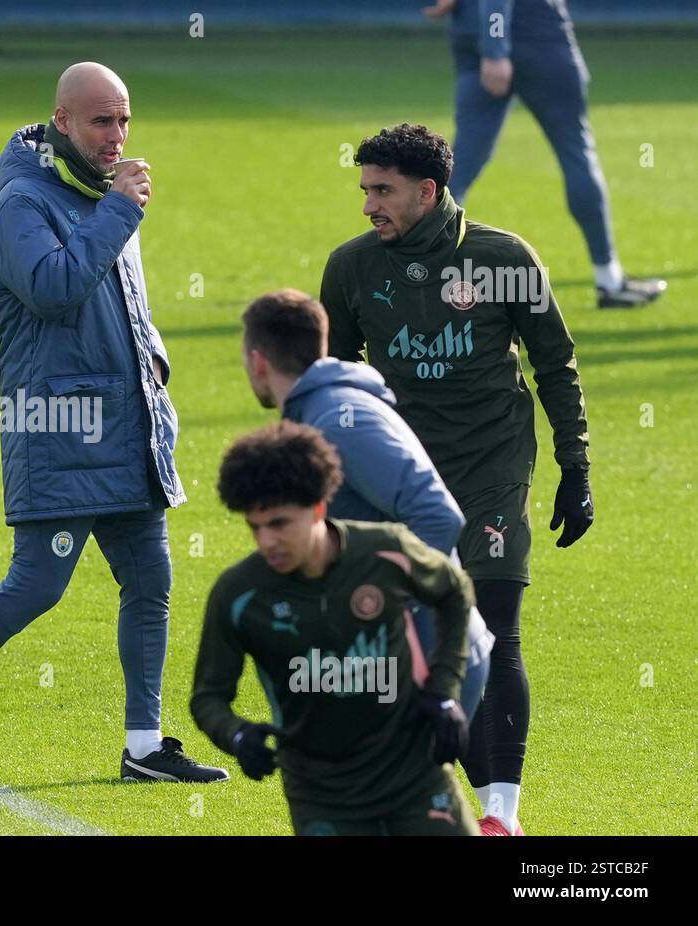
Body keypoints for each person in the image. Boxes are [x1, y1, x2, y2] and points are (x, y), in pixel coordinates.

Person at [0, 62, 226, 784]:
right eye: (101, 122)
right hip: (57, 425)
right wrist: (119, 211)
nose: (116, 137)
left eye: (124, 121)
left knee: (151, 580)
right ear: (62, 121)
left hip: (127, 424)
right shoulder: (22, 202)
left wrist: (158, 367)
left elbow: (124, 302)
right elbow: (52, 289)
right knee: (39, 583)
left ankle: (144, 746)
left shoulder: (105, 195)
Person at [319, 123, 594, 835]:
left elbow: (555, 365)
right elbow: (333, 385)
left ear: (427, 190)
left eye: (382, 191)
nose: (368, 206)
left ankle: (503, 813)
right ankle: (465, 803)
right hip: (403, 479)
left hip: (493, 468)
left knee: (495, 629)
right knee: (429, 642)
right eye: (365, 190)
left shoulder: (503, 259)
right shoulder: (351, 269)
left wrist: (576, 466)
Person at [191, 422, 479, 836]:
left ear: (319, 508)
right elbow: (208, 698)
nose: (267, 540)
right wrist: (236, 736)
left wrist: (444, 691)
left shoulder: (387, 551)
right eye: (255, 527)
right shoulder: (238, 595)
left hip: (414, 775)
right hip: (321, 794)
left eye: (279, 523)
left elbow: (454, 591)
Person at [239, 288, 492, 720]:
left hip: (420, 657)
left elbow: (439, 516)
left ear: (259, 361)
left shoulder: (339, 420)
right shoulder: (321, 414)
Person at [423, 0, 665, 308]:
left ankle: (418, 272)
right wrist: (496, 48)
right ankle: (609, 280)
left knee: (461, 162)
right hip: (532, 35)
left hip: (473, 29)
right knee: (575, 152)